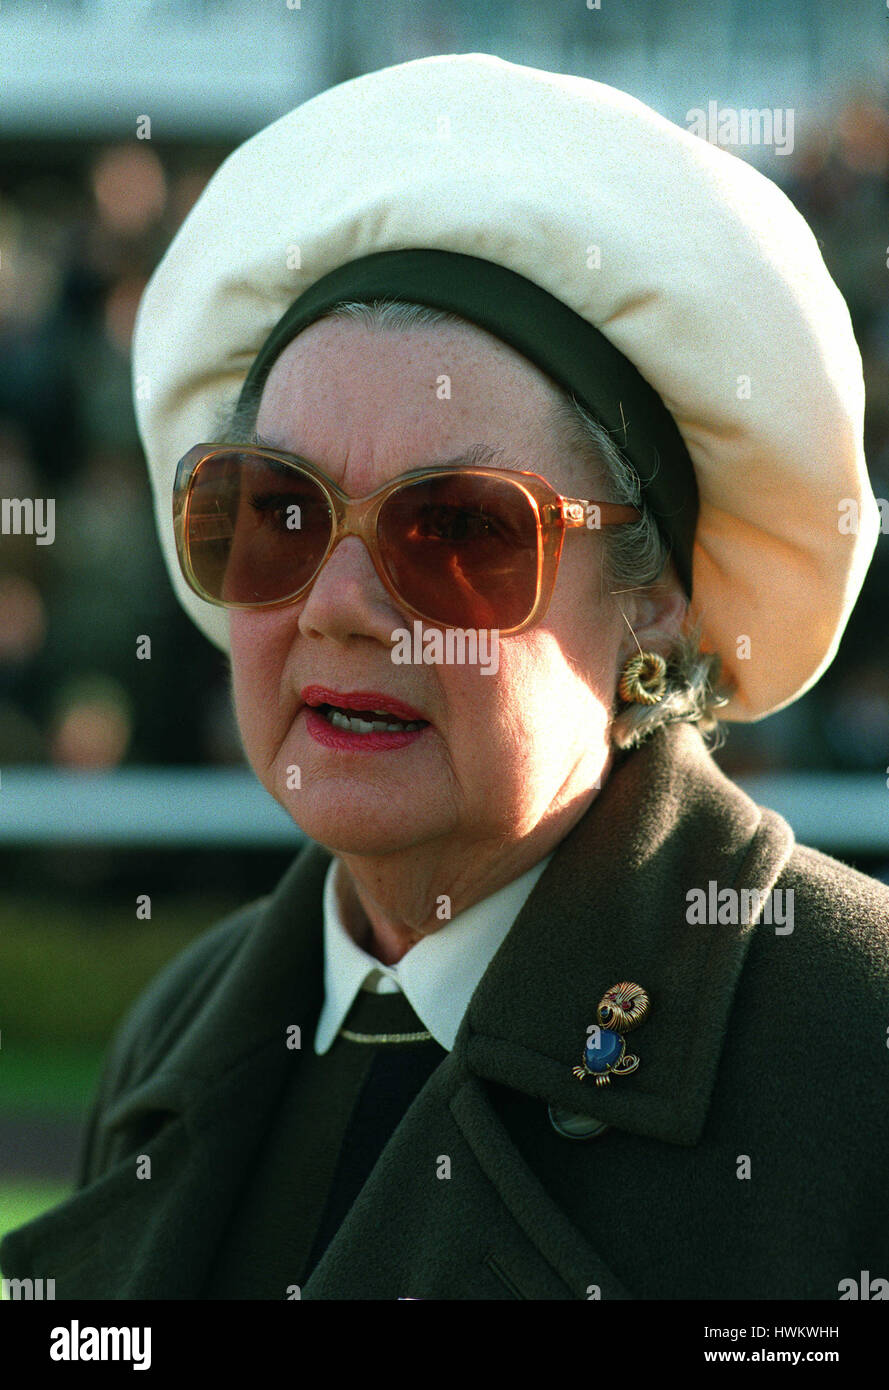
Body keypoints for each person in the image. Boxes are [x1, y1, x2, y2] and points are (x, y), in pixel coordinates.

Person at [2, 52, 888, 1302]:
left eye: (462, 530)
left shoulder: (855, 1045)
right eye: (276, 510)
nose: (339, 605)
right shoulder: (183, 1029)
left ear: (653, 593)